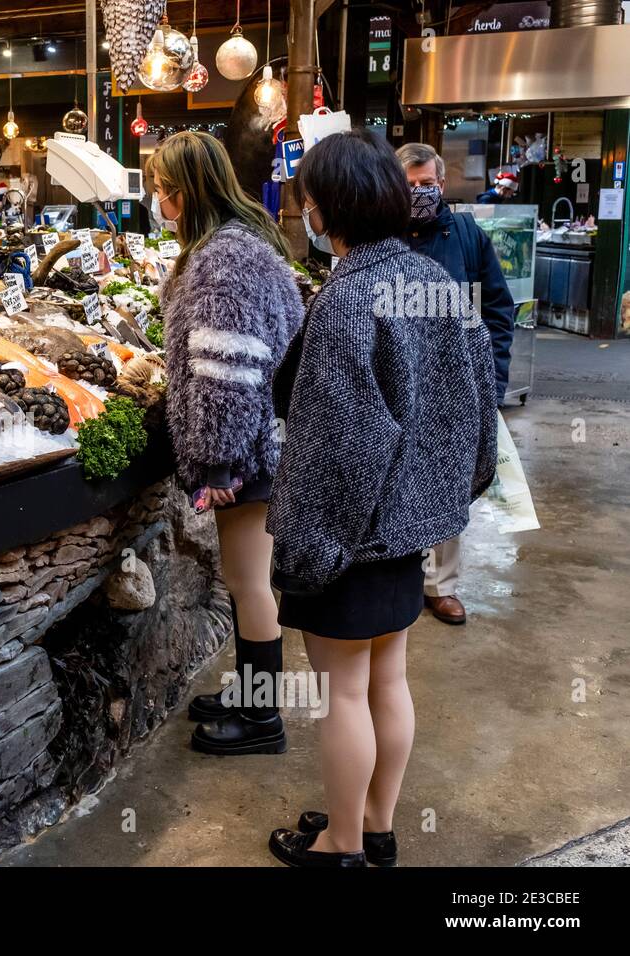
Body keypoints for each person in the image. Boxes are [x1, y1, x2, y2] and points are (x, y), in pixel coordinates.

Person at [265, 129, 497, 867]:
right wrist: (461, 486)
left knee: (341, 692)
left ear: (328, 208)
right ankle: (374, 823)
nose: (305, 212)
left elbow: (341, 444)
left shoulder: (348, 297)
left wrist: (307, 549)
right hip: (407, 529)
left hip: (351, 534)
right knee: (387, 680)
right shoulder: (433, 280)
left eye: (308, 200)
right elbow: (478, 400)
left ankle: (340, 845)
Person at [154, 131, 305, 756]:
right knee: (250, 579)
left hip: (250, 451)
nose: (157, 202)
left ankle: (263, 719)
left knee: (249, 581)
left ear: (186, 195)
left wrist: (219, 461)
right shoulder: (240, 244)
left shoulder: (223, 259)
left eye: (162, 191)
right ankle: (251, 694)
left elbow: (229, 367)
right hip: (258, 442)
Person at [399, 142, 515, 625]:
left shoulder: (467, 236)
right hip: (401, 381)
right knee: (400, 481)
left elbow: (498, 309)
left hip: (456, 387)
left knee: (450, 483)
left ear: (442, 185)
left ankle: (440, 586)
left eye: (428, 185)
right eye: (410, 187)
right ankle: (400, 575)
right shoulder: (383, 235)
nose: (421, 193)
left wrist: (495, 384)